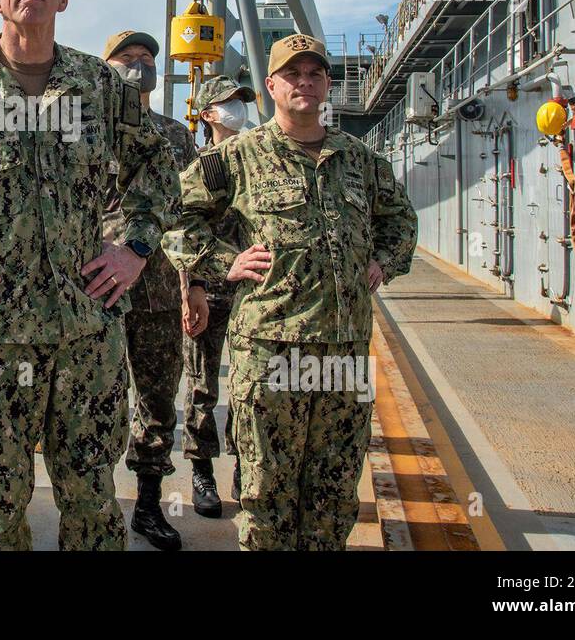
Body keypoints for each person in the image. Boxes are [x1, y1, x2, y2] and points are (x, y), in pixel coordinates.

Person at [0, 0, 177, 550]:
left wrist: (134, 249)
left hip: (86, 337)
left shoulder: (101, 87)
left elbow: (156, 167)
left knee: (91, 506)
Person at [170, 34, 417, 549]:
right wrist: (223, 263)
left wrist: (382, 262)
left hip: (345, 351)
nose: (304, 83)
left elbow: (401, 221)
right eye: (292, 74)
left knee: (334, 495)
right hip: (269, 350)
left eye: (314, 74)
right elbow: (176, 217)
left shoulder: (361, 160)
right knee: (267, 494)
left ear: (327, 84)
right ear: (271, 86)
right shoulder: (237, 158)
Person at [101, 30, 195, 550]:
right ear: (105, 67)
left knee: (158, 401)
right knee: (97, 402)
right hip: (102, 292)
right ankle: (94, 503)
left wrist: (193, 284)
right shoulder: (86, 129)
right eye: (127, 59)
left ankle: (149, 503)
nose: (139, 66)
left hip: (159, 289)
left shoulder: (176, 136)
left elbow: (189, 215)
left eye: (147, 59)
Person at [177, 74, 255, 518]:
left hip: (251, 298)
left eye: (240, 102)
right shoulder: (201, 167)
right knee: (203, 387)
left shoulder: (259, 159)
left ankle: (247, 470)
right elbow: (185, 232)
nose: (237, 110)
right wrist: (193, 292)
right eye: (227, 103)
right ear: (208, 115)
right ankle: (202, 472)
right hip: (208, 293)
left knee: (248, 390)